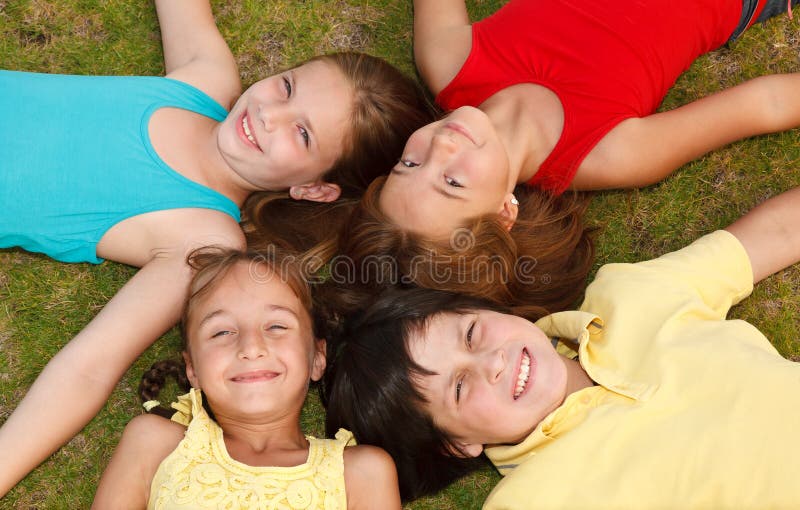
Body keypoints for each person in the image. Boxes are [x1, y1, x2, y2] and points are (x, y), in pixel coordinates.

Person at [0, 0, 431, 495]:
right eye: (287, 86)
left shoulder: (203, 238)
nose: (270, 114)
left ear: (314, 188)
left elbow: (89, 368)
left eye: (303, 133)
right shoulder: (207, 81)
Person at [324, 185, 800, 507]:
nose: (490, 363)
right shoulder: (528, 501)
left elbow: (772, 235)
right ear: (458, 444)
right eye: (460, 388)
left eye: (471, 334)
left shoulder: (632, 298)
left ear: (491, 309)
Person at [320, 0, 800, 314]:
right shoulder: (608, 152)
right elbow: (766, 104)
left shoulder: (448, 59)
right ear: (505, 212)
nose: (440, 147)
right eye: (453, 183)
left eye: (409, 165)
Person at [92, 247, 401, 509]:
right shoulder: (156, 444)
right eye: (222, 331)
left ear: (317, 358)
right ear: (193, 369)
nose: (251, 347)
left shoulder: (360, 473)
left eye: (277, 326)